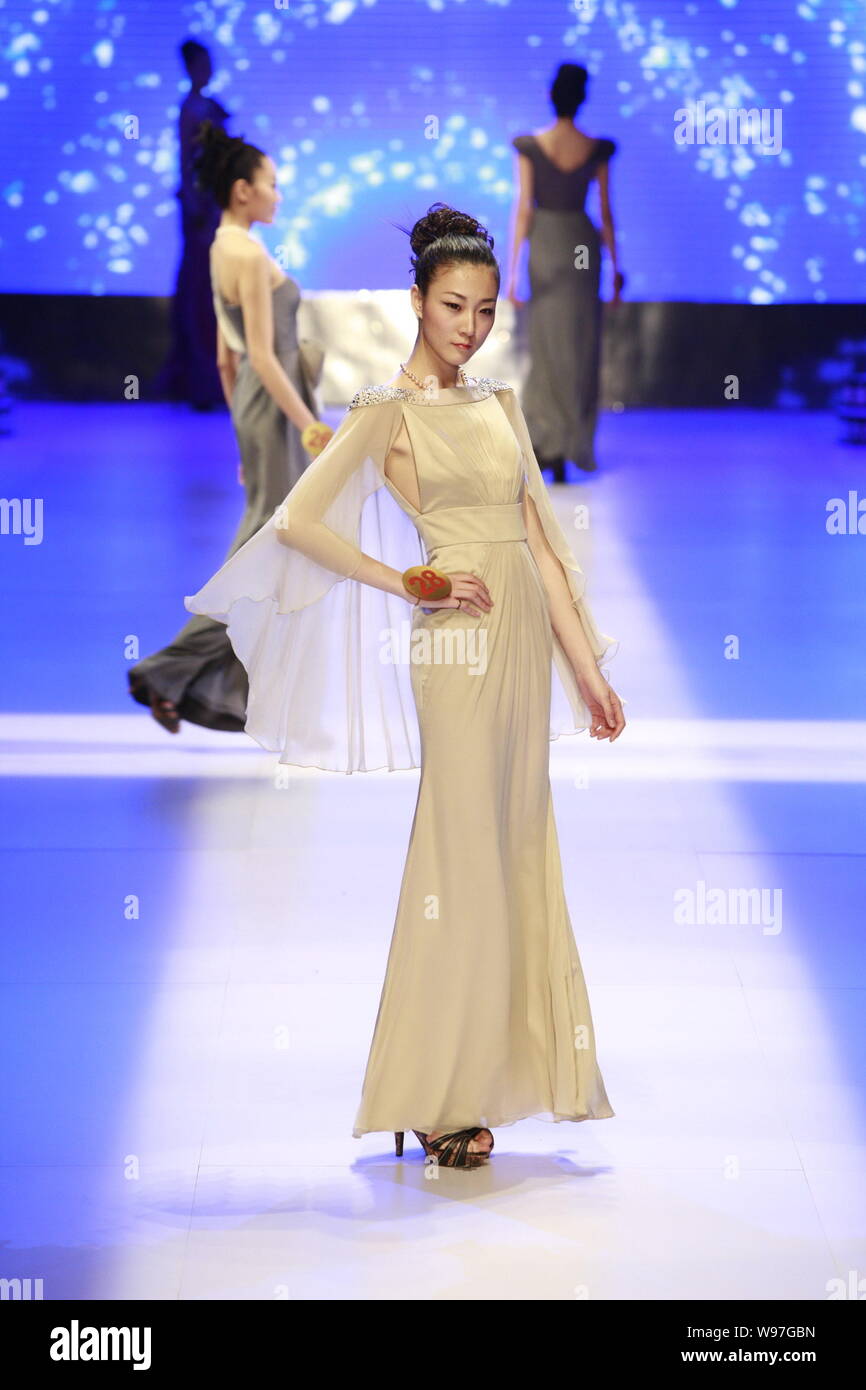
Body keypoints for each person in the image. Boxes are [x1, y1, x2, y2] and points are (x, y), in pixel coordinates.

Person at [184, 203, 625, 1169]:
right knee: (457, 859)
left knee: (513, 850)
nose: (470, 326)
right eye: (453, 307)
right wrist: (407, 579)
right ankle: (432, 1093)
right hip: (456, 644)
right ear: (416, 303)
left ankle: (487, 1078)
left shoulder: (500, 404)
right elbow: (299, 521)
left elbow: (543, 552)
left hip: (518, 645)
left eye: (484, 309)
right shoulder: (386, 411)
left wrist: (588, 674)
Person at [129, 123, 331, 733]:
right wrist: (308, 426)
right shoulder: (246, 253)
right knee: (266, 551)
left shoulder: (221, 249)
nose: (278, 194)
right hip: (276, 407)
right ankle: (169, 670)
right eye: (271, 184)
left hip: (257, 409)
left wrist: (250, 433)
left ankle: (213, 686)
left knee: (272, 547)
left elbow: (228, 358)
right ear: (242, 190)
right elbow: (264, 357)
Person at [508, 62, 624, 480]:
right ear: (583, 97)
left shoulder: (531, 146)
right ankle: (568, 442)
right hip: (580, 243)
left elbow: (524, 207)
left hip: (546, 243)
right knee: (579, 345)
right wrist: (616, 268)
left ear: (550, 95)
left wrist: (515, 271)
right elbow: (607, 213)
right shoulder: (595, 149)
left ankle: (547, 443)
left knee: (547, 344)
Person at [154, 39, 229, 411]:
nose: (209, 69)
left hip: (214, 204)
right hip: (200, 209)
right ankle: (200, 381)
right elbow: (187, 161)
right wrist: (197, 205)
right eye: (203, 63)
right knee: (200, 290)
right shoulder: (191, 109)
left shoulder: (210, 106)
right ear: (191, 67)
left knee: (214, 289)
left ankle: (214, 381)